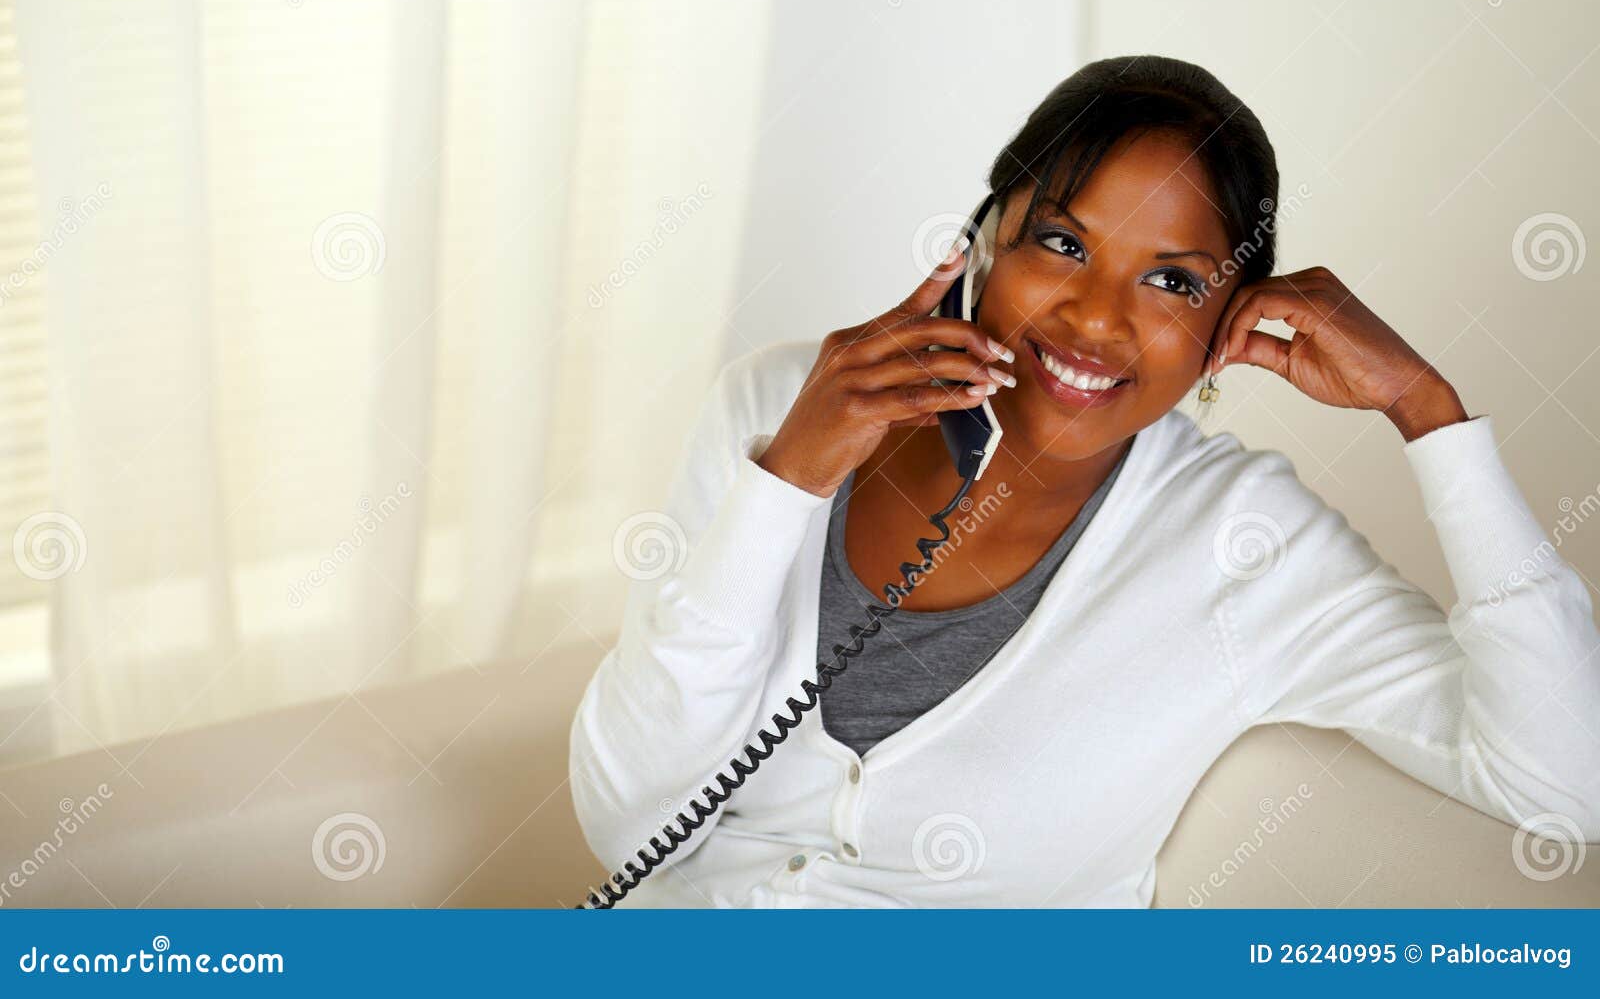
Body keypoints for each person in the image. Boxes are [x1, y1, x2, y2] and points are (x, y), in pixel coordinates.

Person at [568, 55, 1600, 908]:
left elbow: (1564, 783)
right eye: (1061, 243)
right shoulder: (784, 402)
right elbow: (624, 817)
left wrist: (1427, 409)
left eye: (1171, 280)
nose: (1098, 317)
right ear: (980, 244)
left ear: (1227, 326)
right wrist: (785, 479)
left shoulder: (1244, 542)